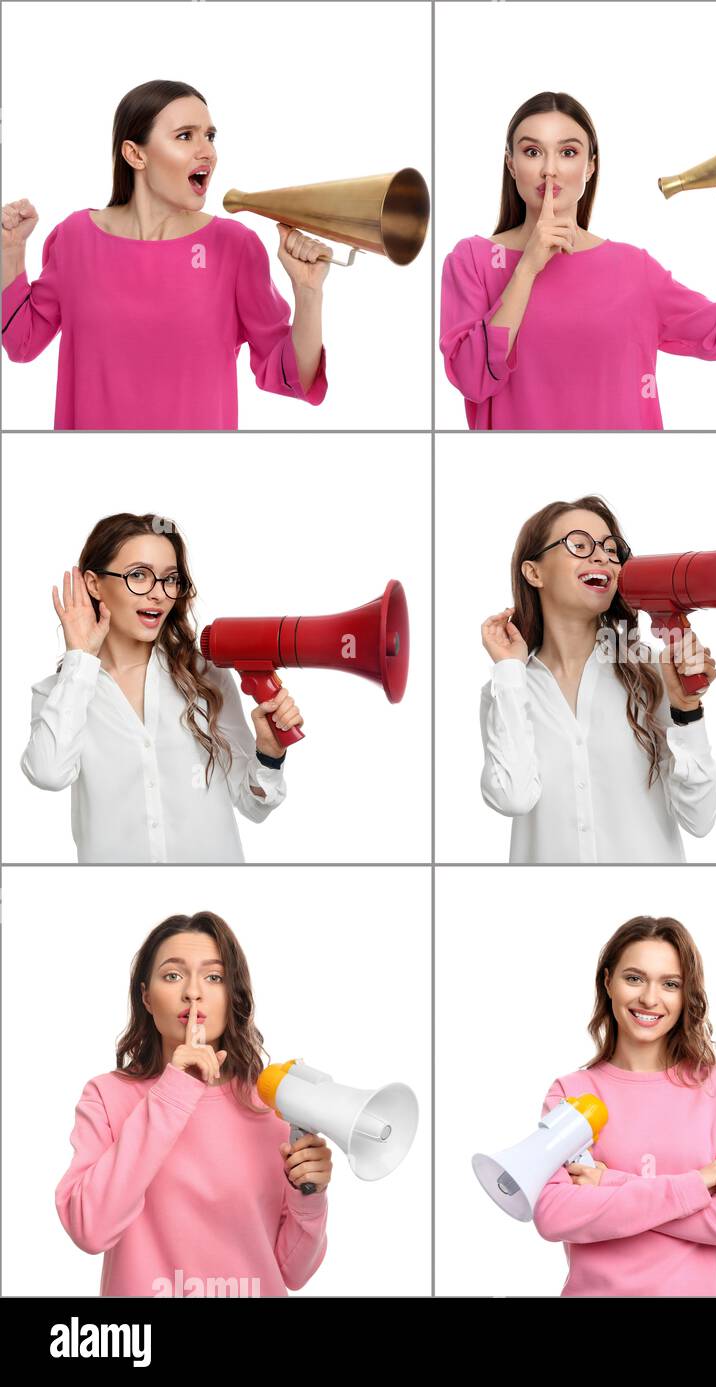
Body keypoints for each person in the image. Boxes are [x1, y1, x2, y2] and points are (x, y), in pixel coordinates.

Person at [440, 91, 716, 428]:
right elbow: (472, 380)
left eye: (568, 152)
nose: (550, 169)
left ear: (590, 167)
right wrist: (527, 268)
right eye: (532, 151)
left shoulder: (633, 270)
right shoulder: (473, 261)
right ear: (511, 164)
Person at [1, 79, 329, 428]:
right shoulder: (74, 238)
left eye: (210, 136)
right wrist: (10, 249)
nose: (207, 151)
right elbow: (22, 343)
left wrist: (309, 293)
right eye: (186, 136)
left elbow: (291, 375)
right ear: (135, 155)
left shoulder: (234, 245)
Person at [55, 912, 332, 1296]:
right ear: (146, 997)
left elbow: (292, 1272)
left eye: (214, 976)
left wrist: (311, 1196)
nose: (193, 991)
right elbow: (90, 1229)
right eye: (172, 975)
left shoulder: (272, 1105)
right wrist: (173, 1092)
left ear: (233, 996)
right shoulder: (106, 1097)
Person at [21, 512, 302, 862]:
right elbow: (47, 773)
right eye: (138, 575)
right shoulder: (59, 693)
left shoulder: (205, 676)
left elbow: (253, 804)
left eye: (170, 579)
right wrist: (80, 658)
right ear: (94, 584)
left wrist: (269, 754)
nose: (158, 594)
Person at [480, 495, 716, 862]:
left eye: (612, 549)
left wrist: (686, 710)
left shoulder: (654, 677)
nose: (602, 557)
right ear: (534, 572)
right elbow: (513, 797)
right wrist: (509, 671)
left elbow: (700, 818)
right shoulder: (507, 688)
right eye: (579, 545)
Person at [532, 917, 716, 1296]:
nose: (650, 999)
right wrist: (697, 1185)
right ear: (608, 982)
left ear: (685, 994)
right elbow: (554, 1215)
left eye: (669, 984)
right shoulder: (570, 1093)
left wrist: (611, 1182)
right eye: (634, 978)